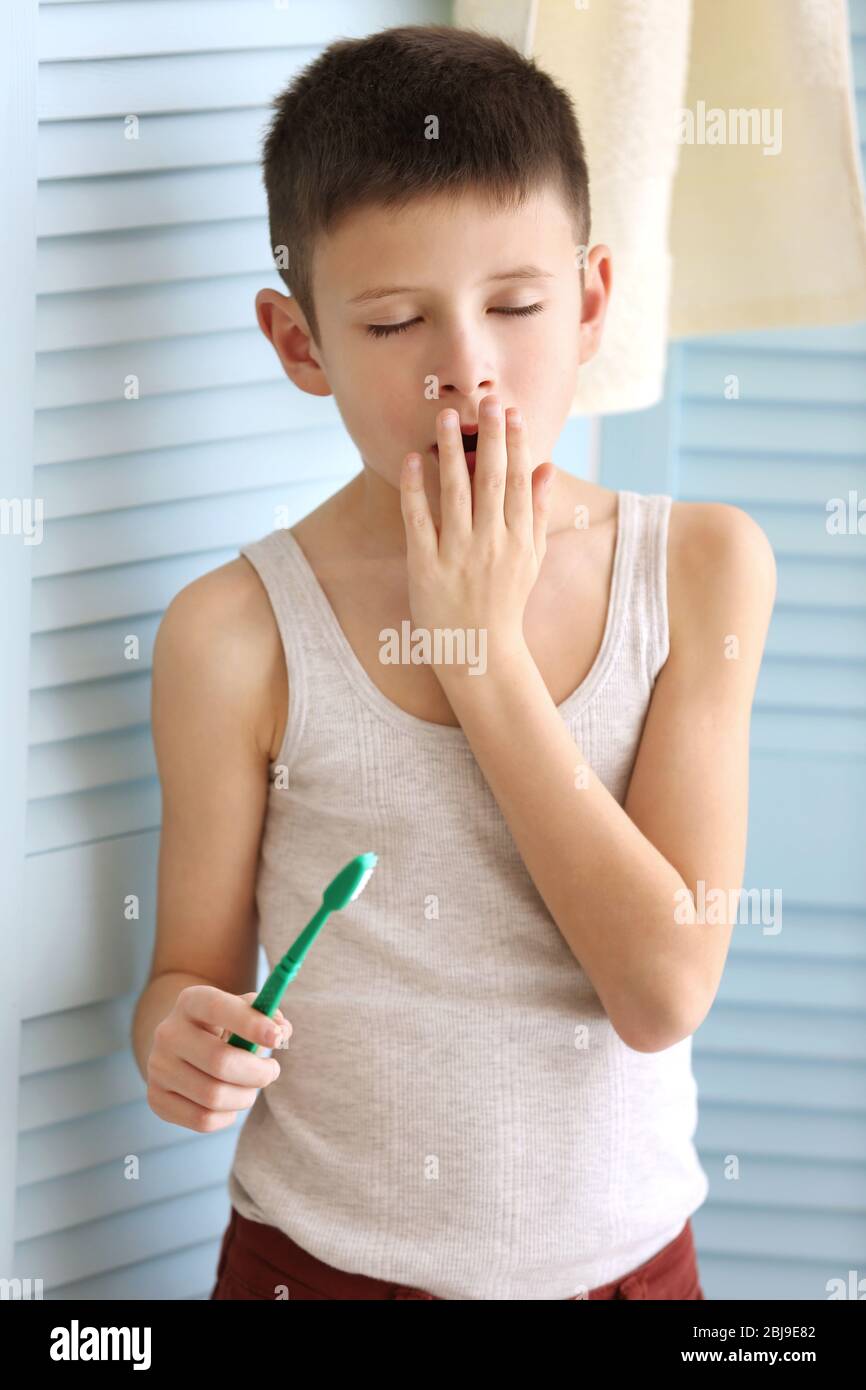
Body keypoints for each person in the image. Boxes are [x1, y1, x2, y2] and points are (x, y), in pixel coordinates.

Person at [132, 23, 776, 1301]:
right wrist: (176, 1039)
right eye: (390, 324)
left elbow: (658, 990)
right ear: (298, 343)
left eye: (517, 306)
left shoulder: (699, 570)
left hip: (629, 1273)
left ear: (591, 300)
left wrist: (476, 652)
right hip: (314, 1271)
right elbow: (185, 977)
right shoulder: (234, 631)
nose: (466, 374)